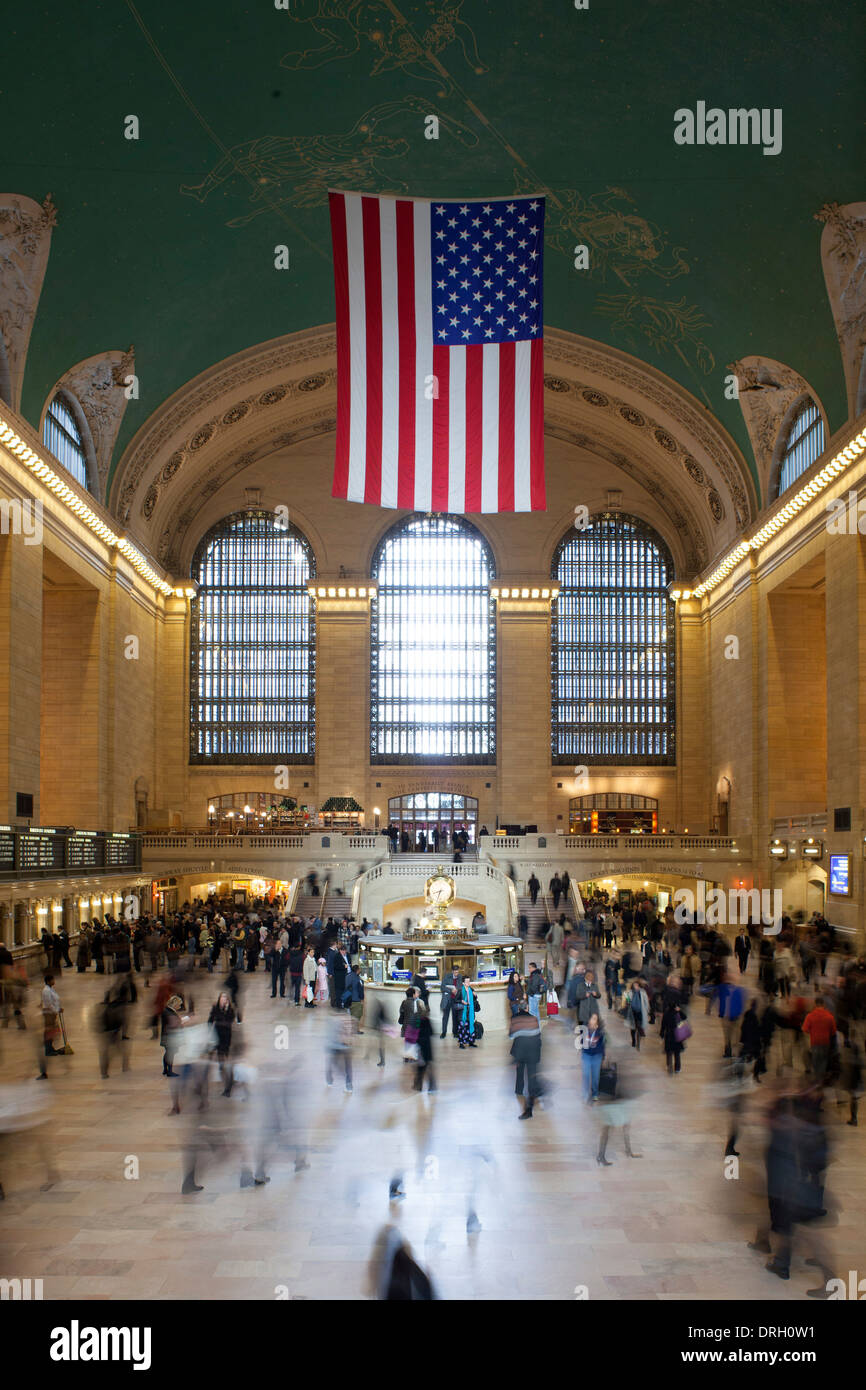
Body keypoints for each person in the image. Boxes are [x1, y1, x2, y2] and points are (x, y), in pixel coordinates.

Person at [510, 1002, 542, 1118]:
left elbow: (512, 1035)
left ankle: (518, 1090)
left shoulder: (514, 1018)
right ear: (527, 1008)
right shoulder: (534, 1019)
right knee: (531, 1077)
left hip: (520, 1052)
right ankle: (530, 1103)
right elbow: (538, 1036)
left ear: (518, 1009)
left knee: (519, 1072)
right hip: (533, 1052)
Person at [802, 995, 837, 1081]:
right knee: (824, 1060)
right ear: (823, 1005)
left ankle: (817, 1078)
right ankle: (821, 1078)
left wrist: (813, 1031)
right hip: (825, 1042)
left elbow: (805, 1029)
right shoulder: (830, 1016)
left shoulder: (810, 1016)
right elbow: (833, 1031)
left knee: (815, 1060)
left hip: (815, 1042)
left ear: (815, 1004)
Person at [38, 974, 64, 1077]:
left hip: (52, 1013)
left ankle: (50, 1047)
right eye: (53, 979)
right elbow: (48, 1004)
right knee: (49, 1030)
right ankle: (48, 1049)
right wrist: (56, 1010)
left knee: (52, 1031)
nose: (54, 981)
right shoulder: (46, 991)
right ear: (49, 981)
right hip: (49, 1013)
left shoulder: (50, 989)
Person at [580, 1011, 605, 1104]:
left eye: (595, 1019)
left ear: (597, 1023)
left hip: (596, 1056)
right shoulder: (584, 1029)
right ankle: (585, 1093)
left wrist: (603, 1057)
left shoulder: (600, 1033)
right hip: (586, 1055)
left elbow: (602, 1046)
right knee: (586, 1075)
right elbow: (582, 1042)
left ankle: (595, 1093)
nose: (592, 1020)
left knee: (595, 1077)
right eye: (592, 1018)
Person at [661, 998, 688, 1075]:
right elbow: (685, 1017)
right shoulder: (678, 1013)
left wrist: (662, 1034)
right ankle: (677, 1068)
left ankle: (669, 1066)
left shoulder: (666, 1014)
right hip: (677, 1036)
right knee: (677, 1053)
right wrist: (679, 1010)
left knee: (669, 1053)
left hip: (669, 1036)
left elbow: (663, 1025)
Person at [626, 977, 649, 1050]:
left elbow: (646, 1003)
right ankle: (633, 1040)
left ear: (639, 986)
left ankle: (638, 1042)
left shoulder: (643, 992)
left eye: (637, 985)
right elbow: (628, 1002)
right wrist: (628, 1001)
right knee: (633, 1028)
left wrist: (647, 1010)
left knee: (639, 1026)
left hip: (640, 1012)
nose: (635, 987)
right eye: (634, 985)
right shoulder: (630, 992)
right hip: (632, 1012)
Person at [440, 965, 462, 1039]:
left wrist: (457, 989)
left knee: (455, 1017)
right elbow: (442, 987)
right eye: (455, 972)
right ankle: (443, 1032)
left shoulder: (460, 977)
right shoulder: (447, 976)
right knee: (445, 1017)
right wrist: (451, 990)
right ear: (452, 971)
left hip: (455, 1000)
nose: (456, 974)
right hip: (447, 999)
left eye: (457, 972)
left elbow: (461, 986)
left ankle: (455, 1033)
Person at [457, 978, 478, 1049]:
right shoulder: (460, 990)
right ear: (463, 983)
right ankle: (461, 1043)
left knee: (470, 1026)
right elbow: (456, 1000)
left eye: (469, 981)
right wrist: (462, 1001)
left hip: (470, 1012)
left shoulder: (471, 989)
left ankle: (471, 1042)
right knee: (463, 1027)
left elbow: (475, 999)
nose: (468, 982)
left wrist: (475, 995)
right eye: (467, 981)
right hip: (463, 1012)